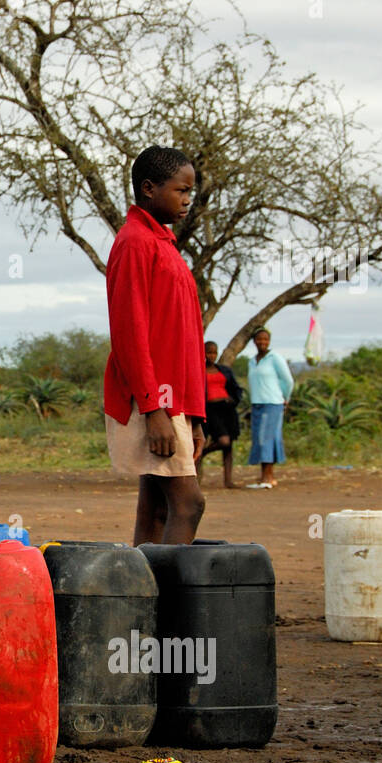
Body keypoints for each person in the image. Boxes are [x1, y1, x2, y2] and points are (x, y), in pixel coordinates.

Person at [103, 146, 206, 545]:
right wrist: (153, 409)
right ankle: (168, 605)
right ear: (149, 188)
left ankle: (142, 603)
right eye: (181, 190)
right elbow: (129, 331)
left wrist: (194, 415)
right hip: (152, 400)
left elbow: (183, 341)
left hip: (172, 401)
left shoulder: (164, 246)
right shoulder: (135, 242)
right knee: (188, 505)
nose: (186, 200)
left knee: (156, 507)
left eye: (190, 192)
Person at [245, 328, 294, 488]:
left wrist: (285, 397)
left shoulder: (275, 358)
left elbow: (288, 380)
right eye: (259, 339)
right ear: (254, 341)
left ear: (269, 341)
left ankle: (269, 475)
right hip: (257, 403)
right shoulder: (252, 361)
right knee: (259, 438)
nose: (262, 342)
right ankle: (264, 475)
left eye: (265, 339)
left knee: (267, 438)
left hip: (273, 402)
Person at [196, 341, 242, 488]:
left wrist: (233, 399)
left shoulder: (224, 370)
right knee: (223, 441)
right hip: (210, 410)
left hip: (227, 410)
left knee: (228, 448)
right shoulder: (199, 371)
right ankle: (202, 453)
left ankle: (228, 480)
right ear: (203, 353)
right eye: (209, 352)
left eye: (214, 352)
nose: (212, 355)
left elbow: (235, 388)